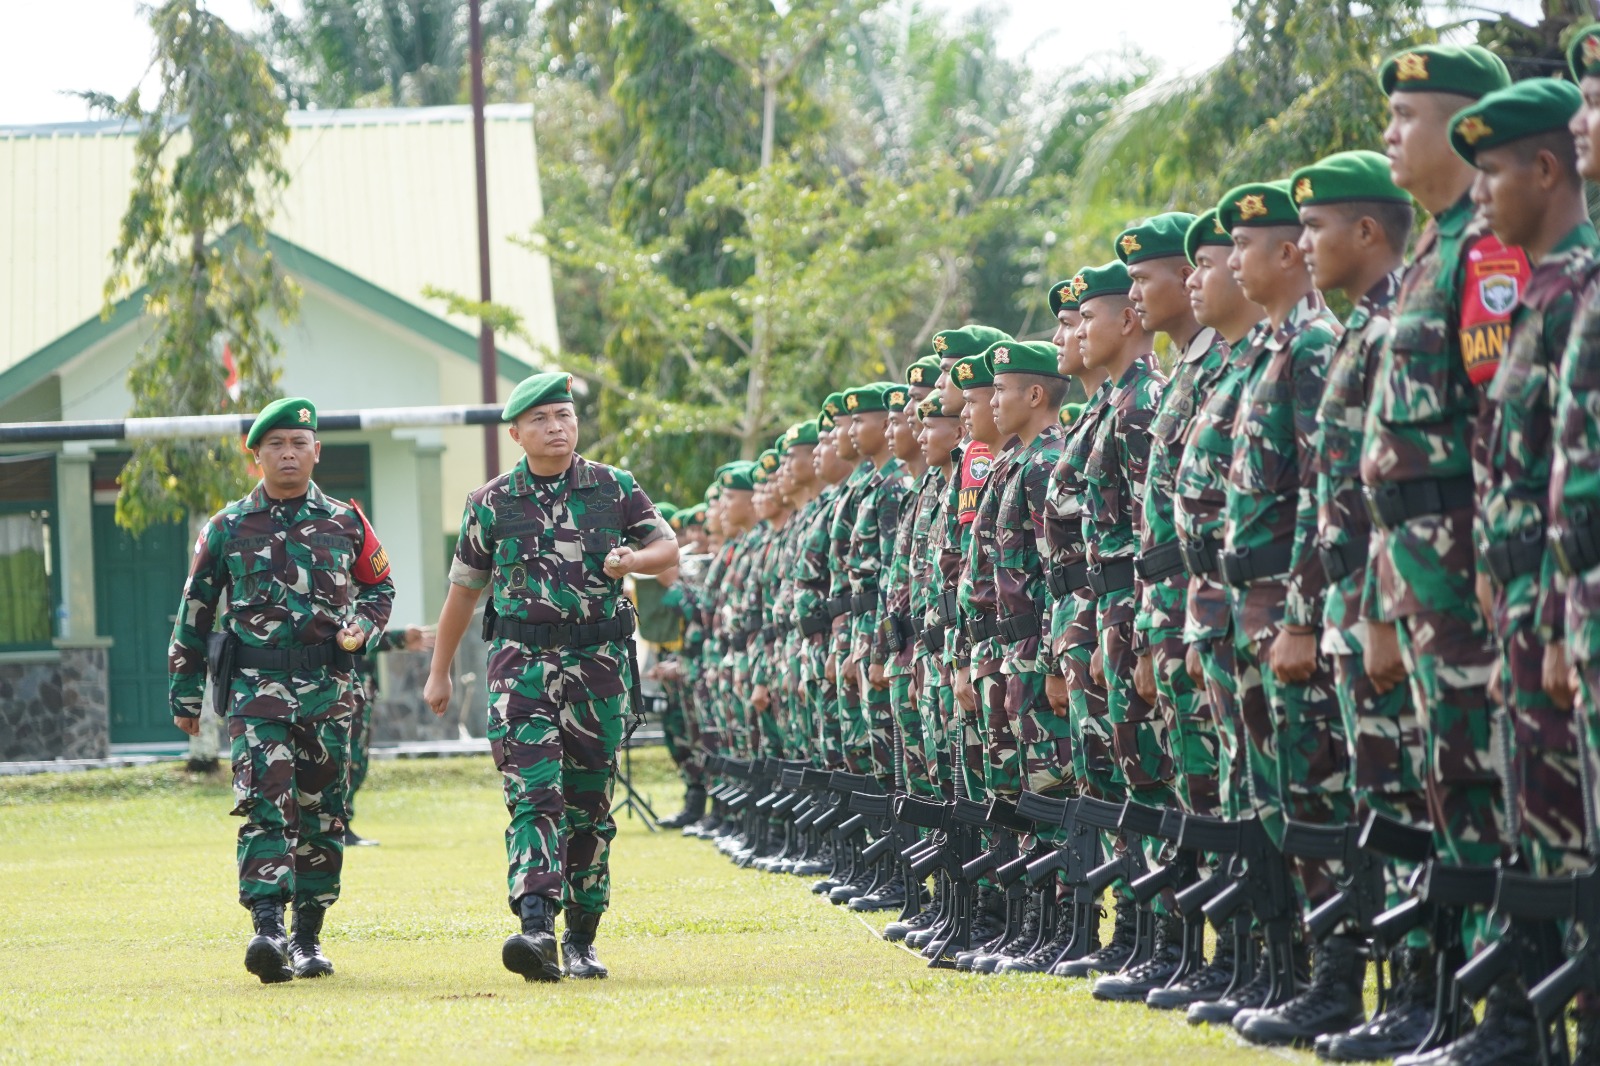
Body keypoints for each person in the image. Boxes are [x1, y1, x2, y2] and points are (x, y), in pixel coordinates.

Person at [423, 370, 677, 982]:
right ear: (516, 433)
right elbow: (463, 593)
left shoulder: (613, 488)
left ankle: (582, 938)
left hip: (598, 671)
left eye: (564, 415)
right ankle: (535, 925)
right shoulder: (491, 502)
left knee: (589, 807)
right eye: (541, 419)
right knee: (534, 797)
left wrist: (632, 561)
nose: (556, 427)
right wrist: (440, 674)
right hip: (521, 672)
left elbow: (667, 548)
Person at [168, 396, 395, 984]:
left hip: (329, 691)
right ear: (258, 457)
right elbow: (194, 611)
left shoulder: (347, 522)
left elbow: (380, 588)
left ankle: (308, 937)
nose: (288, 454)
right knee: (265, 805)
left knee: (324, 814)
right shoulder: (226, 528)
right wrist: (185, 695)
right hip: (256, 691)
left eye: (299, 443)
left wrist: (362, 628)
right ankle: (267, 929)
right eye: (276, 445)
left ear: (317, 451)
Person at [346, 623, 434, 846]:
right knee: (345, 760)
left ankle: (341, 825)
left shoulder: (356, 597)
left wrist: (401, 638)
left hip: (360, 695)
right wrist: (399, 637)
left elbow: (364, 637)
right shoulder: (332, 596)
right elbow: (349, 637)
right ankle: (334, 826)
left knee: (357, 761)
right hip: (343, 696)